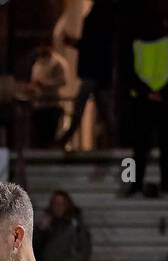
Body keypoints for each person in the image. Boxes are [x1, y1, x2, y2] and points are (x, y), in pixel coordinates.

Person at [123, 3, 168, 198]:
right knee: (165, 147)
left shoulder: (135, 45)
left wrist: (146, 92)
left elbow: (129, 73)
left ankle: (135, 185)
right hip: (164, 100)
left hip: (143, 101)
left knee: (139, 149)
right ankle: (166, 186)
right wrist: (163, 92)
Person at [58, 0, 119, 149]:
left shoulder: (96, 19)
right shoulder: (108, 19)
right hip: (100, 72)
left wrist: (73, 42)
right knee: (105, 111)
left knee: (81, 106)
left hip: (93, 72)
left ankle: (66, 138)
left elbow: (90, 45)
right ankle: (116, 142)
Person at [34, 190, 92, 261]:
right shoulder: (48, 224)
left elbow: (83, 251)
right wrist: (40, 230)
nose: (58, 207)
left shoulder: (75, 225)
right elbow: (36, 249)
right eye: (55, 204)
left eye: (61, 204)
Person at [28, 46, 71, 148]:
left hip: (52, 105)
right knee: (38, 138)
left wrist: (45, 84)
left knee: (49, 137)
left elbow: (63, 81)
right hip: (39, 105)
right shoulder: (37, 62)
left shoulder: (58, 63)